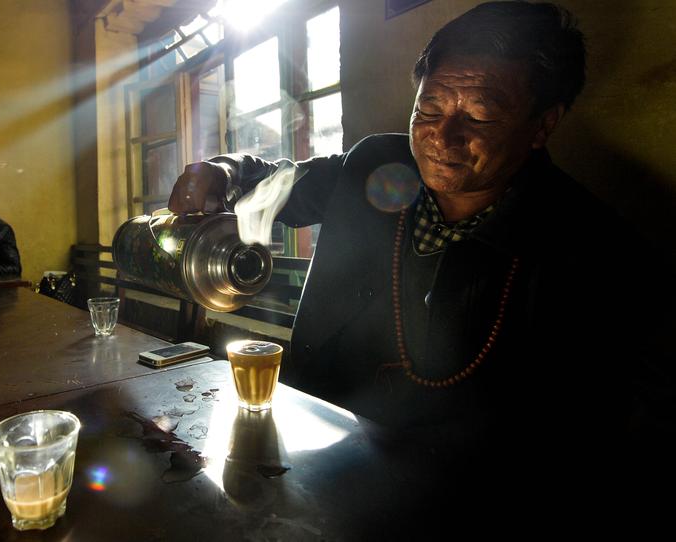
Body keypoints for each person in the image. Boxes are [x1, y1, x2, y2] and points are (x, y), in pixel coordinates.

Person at [168, 1, 671, 534]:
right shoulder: (375, 165)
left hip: (458, 508)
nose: (442, 136)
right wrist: (223, 171)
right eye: (429, 108)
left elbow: (605, 443)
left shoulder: (588, 250)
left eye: (479, 114)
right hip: (305, 460)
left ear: (543, 123)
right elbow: (276, 182)